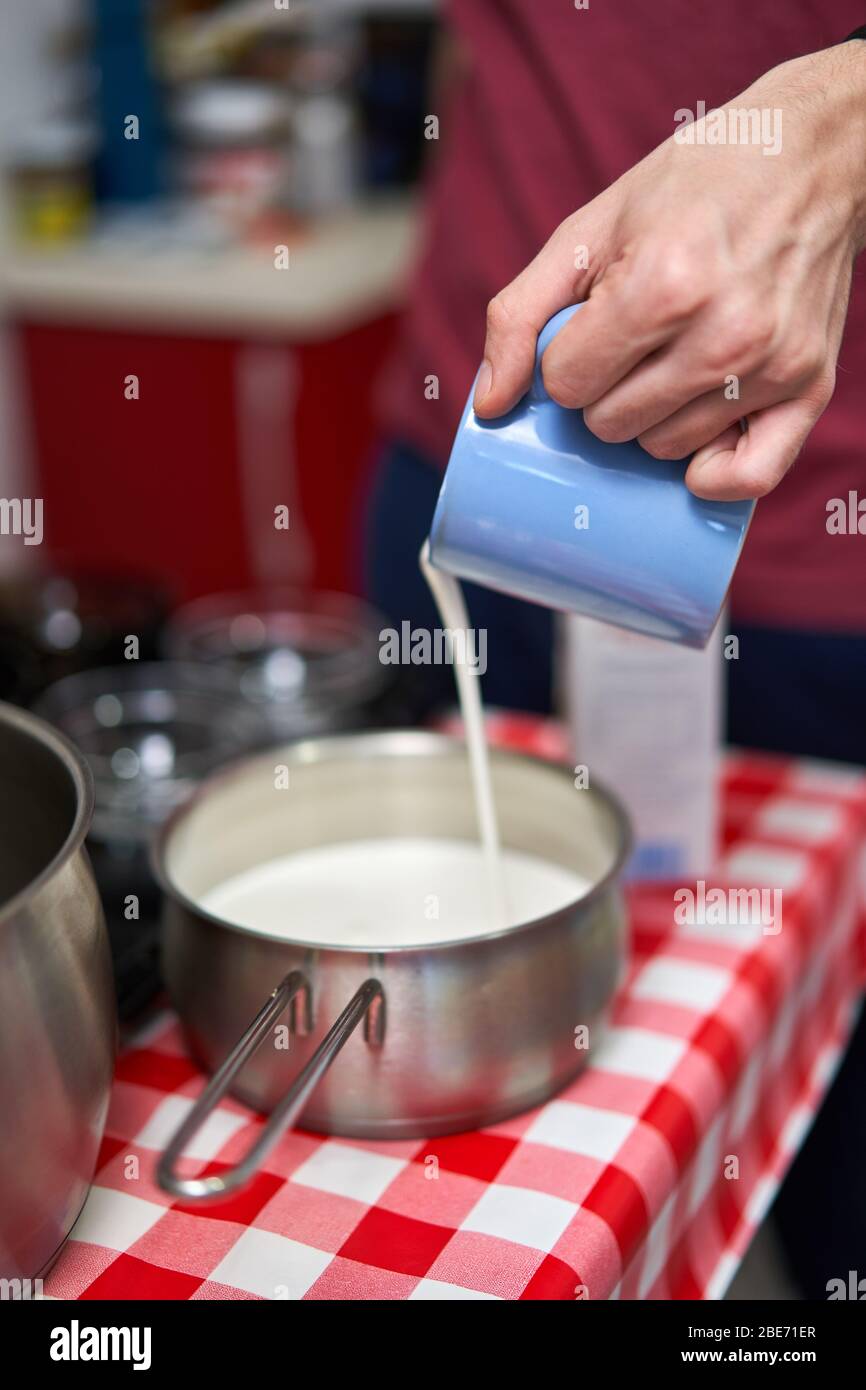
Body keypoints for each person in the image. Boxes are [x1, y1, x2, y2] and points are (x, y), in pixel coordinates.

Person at [366, 3, 866, 1300]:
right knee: (454, 1172)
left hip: (816, 555)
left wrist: (837, 125)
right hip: (478, 449)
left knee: (836, 1194)